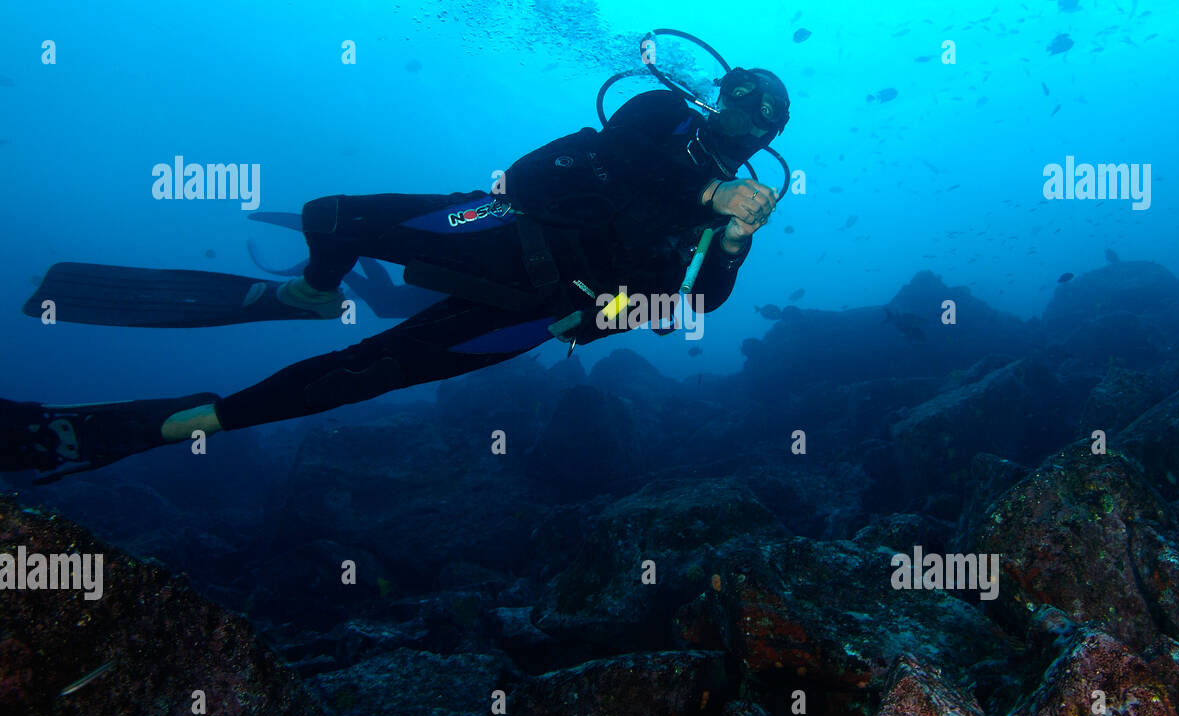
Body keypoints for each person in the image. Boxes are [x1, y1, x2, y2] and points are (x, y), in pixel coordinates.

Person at [1, 67, 790, 483]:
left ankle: (148, 427)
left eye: (761, 117)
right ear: (719, 90)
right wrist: (710, 191)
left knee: (354, 377)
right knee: (333, 215)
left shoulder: (737, 206)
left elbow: (701, 302)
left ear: (768, 135)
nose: (742, 116)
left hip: (550, 307)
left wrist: (733, 240)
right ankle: (310, 293)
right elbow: (624, 155)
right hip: (497, 221)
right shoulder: (660, 112)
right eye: (739, 95)